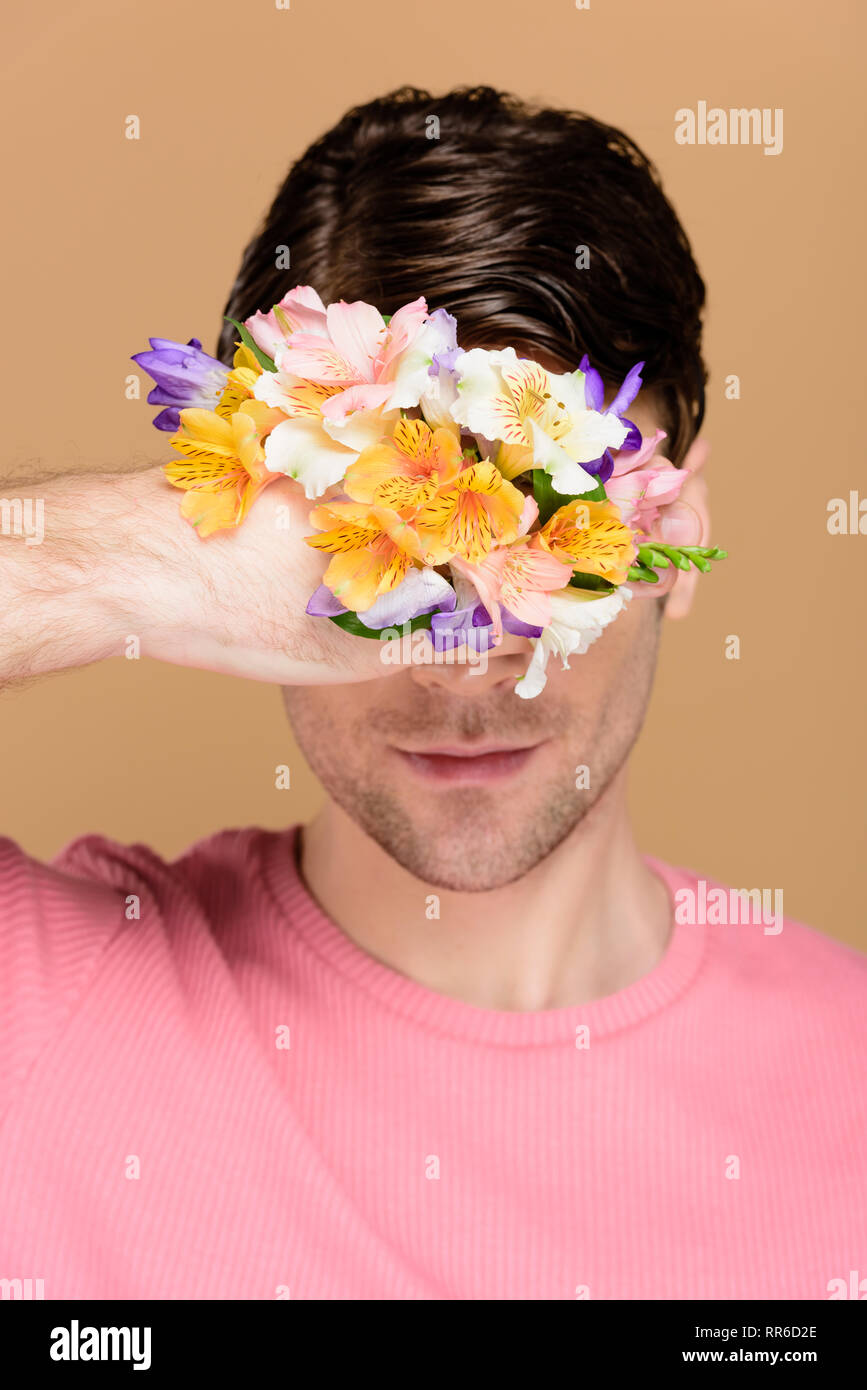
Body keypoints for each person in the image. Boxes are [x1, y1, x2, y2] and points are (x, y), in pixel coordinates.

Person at [1, 87, 864, 1302]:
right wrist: (144, 555)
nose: (463, 657)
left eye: (555, 525)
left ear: (684, 522)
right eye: (376, 538)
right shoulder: (41, 1012)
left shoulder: (852, 1091)